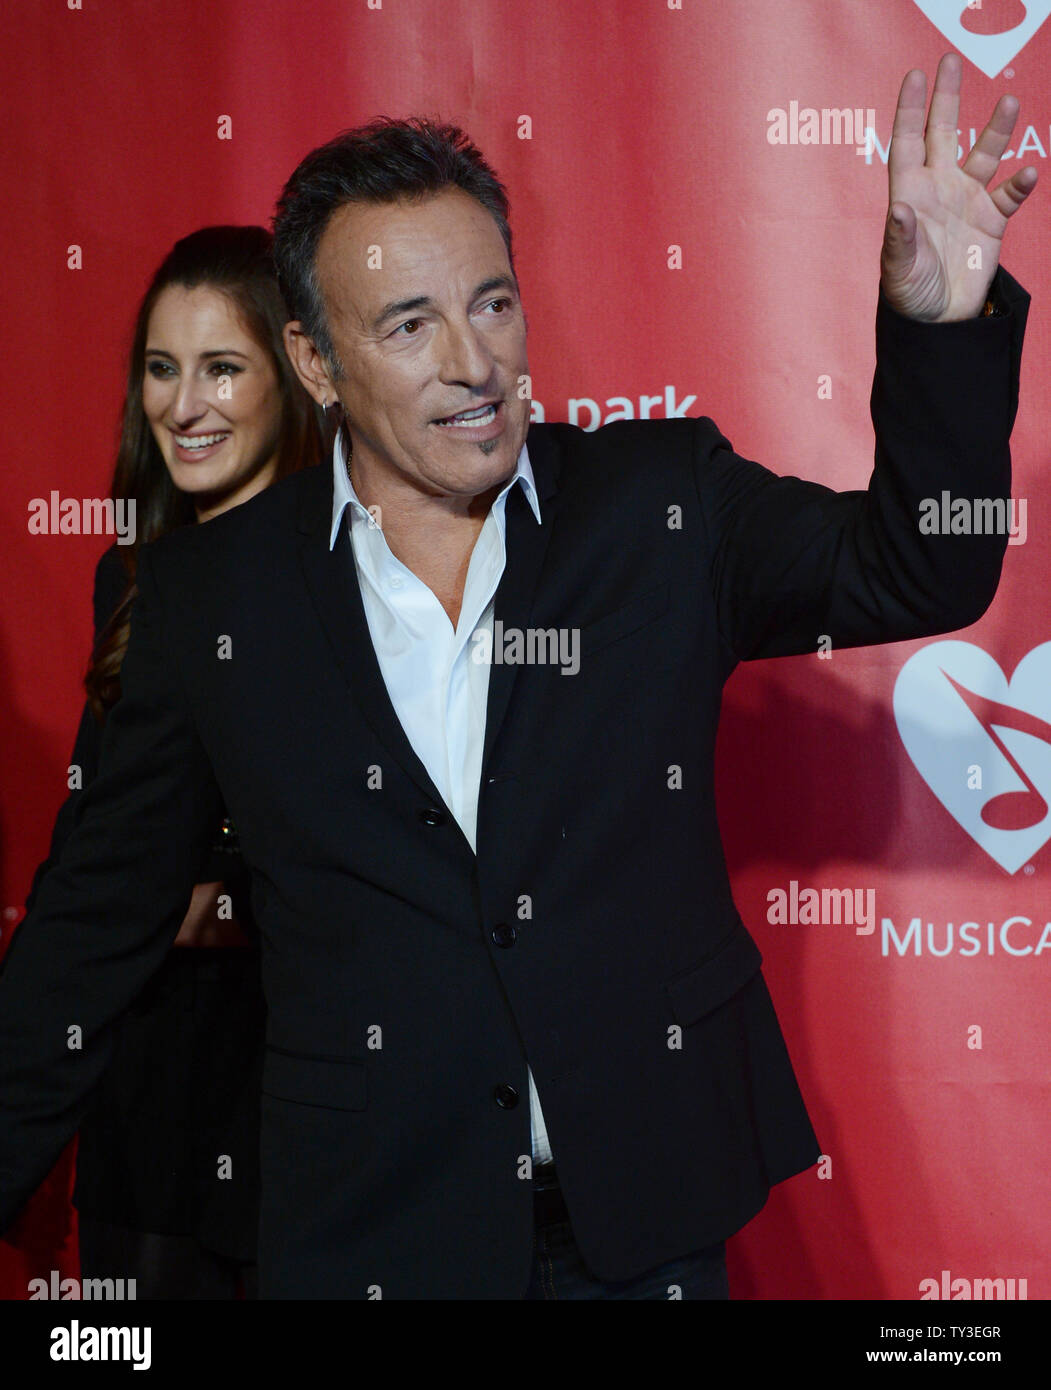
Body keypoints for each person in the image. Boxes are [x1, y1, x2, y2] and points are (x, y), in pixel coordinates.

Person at [0, 55, 1036, 1299]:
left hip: (644, 1223)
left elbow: (924, 570)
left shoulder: (660, 505)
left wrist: (939, 331)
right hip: (367, 1234)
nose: (472, 361)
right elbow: (84, 937)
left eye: (492, 304)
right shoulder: (208, 602)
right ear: (316, 363)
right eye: (408, 324)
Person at [11, 225, 322, 1297]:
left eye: (222, 367)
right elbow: (94, 866)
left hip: (293, 1095)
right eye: (161, 367)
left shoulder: (350, 588)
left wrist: (207, 907)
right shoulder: (136, 577)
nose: (183, 403)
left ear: (294, 374)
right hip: (144, 1086)